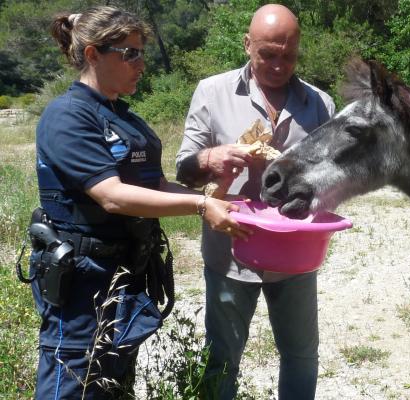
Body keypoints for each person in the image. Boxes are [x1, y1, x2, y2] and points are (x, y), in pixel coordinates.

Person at [31, 6, 249, 399]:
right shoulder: (68, 116)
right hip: (83, 281)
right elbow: (111, 196)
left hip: (126, 272)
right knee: (74, 379)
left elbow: (157, 184)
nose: (141, 64)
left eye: (141, 53)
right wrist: (201, 207)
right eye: (130, 53)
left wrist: (219, 199)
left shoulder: (126, 119)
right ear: (93, 54)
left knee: (114, 382)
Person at [175, 4, 335, 399]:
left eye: (289, 56)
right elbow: (184, 170)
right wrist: (211, 159)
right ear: (247, 44)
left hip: (295, 254)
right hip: (230, 252)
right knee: (221, 359)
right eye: (268, 54)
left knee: (301, 355)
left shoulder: (320, 104)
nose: (279, 65)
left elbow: (335, 180)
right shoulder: (212, 93)